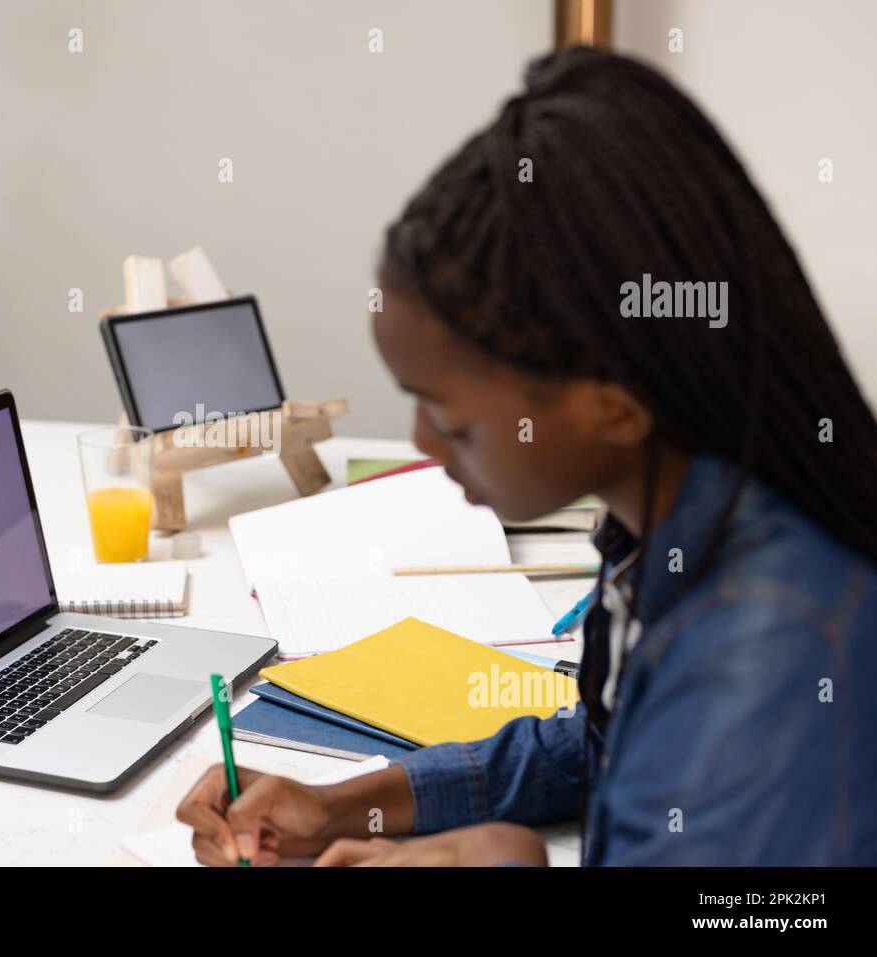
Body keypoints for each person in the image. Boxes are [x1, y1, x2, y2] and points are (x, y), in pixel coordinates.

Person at [176, 47, 877, 866]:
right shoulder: (672, 515)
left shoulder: (768, 662)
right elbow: (607, 743)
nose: (420, 444)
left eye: (453, 420)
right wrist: (345, 806)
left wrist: (502, 859)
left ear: (613, 405)